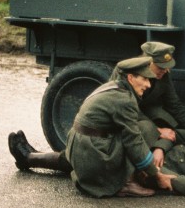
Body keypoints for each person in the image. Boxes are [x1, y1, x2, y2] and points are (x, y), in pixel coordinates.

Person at [9, 56, 176, 198]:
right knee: (144, 130)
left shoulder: (112, 86)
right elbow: (134, 142)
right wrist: (156, 174)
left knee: (77, 156)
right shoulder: (124, 99)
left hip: (79, 147)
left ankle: (28, 157)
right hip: (91, 154)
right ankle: (125, 183)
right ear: (131, 78)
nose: (148, 85)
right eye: (144, 79)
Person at [9, 125, 185, 197]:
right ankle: (32, 156)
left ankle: (29, 158)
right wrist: (160, 148)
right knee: (92, 153)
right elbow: (173, 135)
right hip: (147, 155)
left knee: (93, 159)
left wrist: (168, 180)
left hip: (145, 173)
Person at [111, 42, 185, 145]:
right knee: (147, 129)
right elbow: (126, 108)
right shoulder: (126, 72)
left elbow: (174, 104)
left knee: (170, 123)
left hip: (147, 111)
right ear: (148, 62)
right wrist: (158, 130)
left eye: (167, 67)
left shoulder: (164, 74)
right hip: (124, 115)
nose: (166, 70)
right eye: (161, 67)